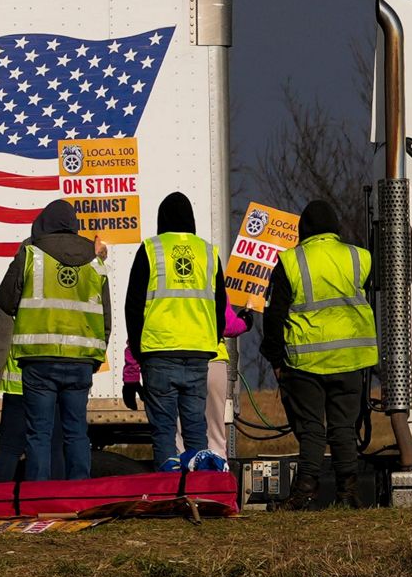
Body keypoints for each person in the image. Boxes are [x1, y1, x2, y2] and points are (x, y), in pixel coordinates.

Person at [0, 200, 109, 481]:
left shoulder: (31, 254)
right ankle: (79, 494)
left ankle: (40, 495)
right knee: (76, 433)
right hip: (80, 361)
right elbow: (105, 315)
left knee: (39, 434)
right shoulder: (95, 259)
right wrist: (96, 356)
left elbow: (5, 301)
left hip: (38, 361)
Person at [262, 200, 378, 510]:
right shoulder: (359, 257)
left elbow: (273, 316)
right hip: (351, 359)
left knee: (311, 429)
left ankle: (304, 492)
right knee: (344, 428)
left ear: (303, 230)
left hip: (305, 362)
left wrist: (275, 358)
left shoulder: (290, 261)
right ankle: (348, 493)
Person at [125, 192, 226, 467]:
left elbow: (133, 305)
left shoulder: (151, 249)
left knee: (164, 431)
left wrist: (138, 350)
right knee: (196, 429)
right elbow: (220, 305)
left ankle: (168, 484)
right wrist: (212, 339)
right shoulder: (209, 253)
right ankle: (198, 485)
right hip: (198, 352)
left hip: (158, 352)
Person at [123, 303, 253, 458]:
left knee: (176, 439)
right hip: (211, 358)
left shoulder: (154, 287)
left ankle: (180, 470)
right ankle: (214, 469)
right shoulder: (210, 285)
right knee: (214, 436)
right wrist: (245, 320)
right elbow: (228, 326)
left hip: (165, 358)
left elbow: (137, 327)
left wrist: (131, 374)